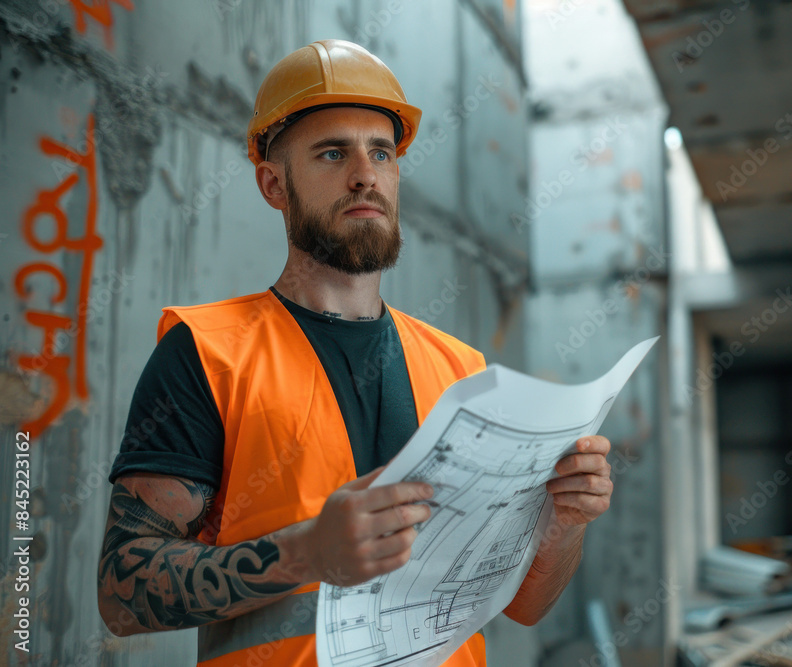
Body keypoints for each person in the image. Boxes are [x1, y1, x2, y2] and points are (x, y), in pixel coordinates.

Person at [97, 39, 616, 666]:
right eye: (332, 152)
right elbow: (120, 597)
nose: (365, 173)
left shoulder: (464, 373)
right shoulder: (207, 353)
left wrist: (564, 521)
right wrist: (308, 553)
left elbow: (525, 607)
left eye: (381, 152)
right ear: (273, 184)